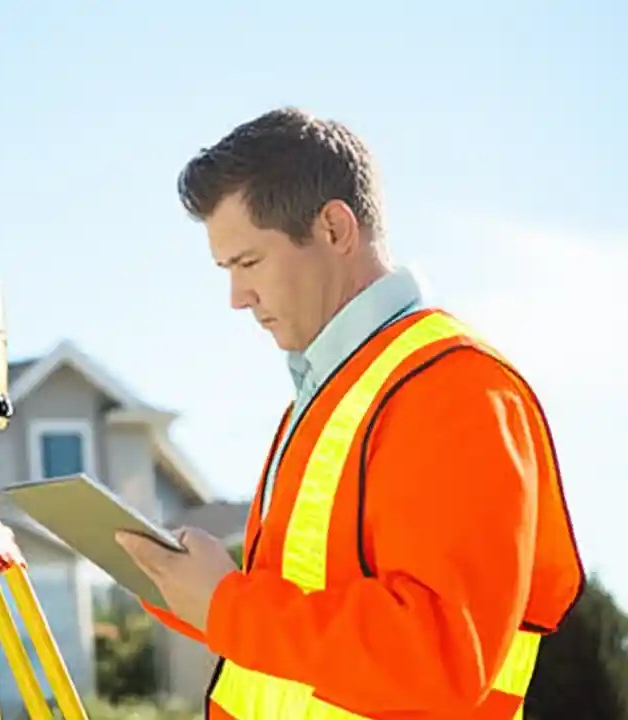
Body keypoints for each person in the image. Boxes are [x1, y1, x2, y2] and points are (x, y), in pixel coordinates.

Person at [114, 107, 585, 718]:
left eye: (249, 263)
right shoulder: (331, 395)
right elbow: (302, 640)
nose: (236, 298)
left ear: (336, 229)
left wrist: (227, 605)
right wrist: (190, 593)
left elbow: (439, 658)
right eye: (226, 270)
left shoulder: (459, 388)